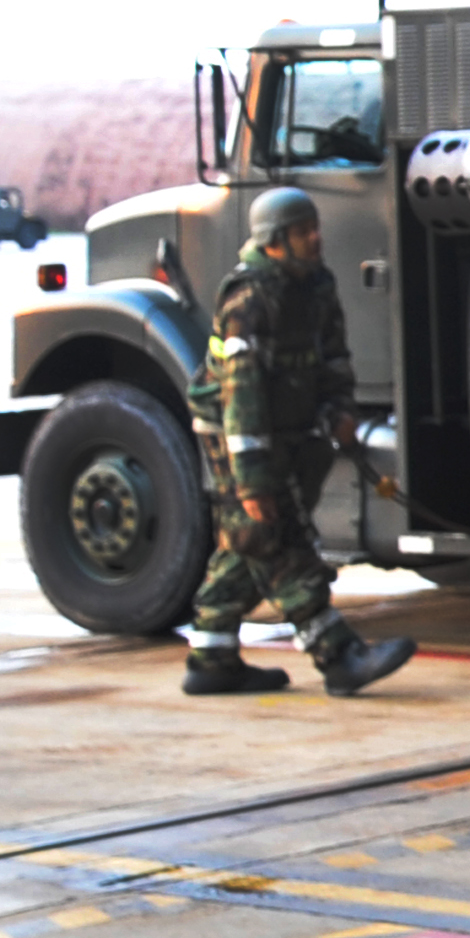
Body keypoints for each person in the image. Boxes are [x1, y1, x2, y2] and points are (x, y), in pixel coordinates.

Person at [183, 187, 415, 699]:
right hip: (235, 432)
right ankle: (337, 654)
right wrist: (252, 484)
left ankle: (211, 658)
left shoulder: (314, 286)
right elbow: (242, 398)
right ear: (273, 240)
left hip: (286, 423)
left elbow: (333, 356)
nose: (315, 238)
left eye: (315, 228)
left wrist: (341, 411)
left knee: (246, 541)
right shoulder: (248, 302)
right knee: (272, 534)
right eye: (302, 231)